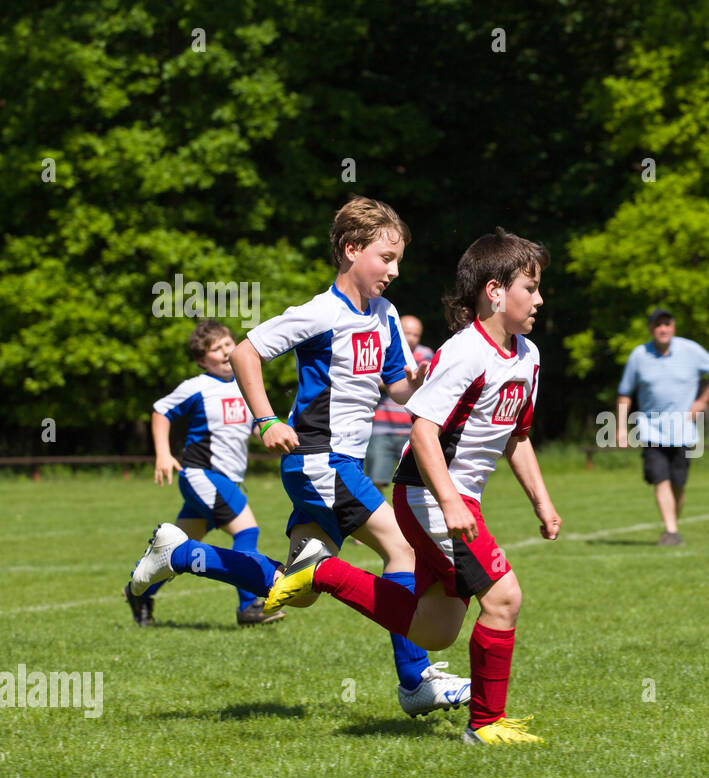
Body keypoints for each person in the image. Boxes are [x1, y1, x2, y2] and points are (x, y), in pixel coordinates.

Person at [133, 196, 470, 716]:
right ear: (350, 249)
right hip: (320, 460)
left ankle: (179, 554)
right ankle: (416, 679)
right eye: (386, 257)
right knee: (403, 550)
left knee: (303, 587)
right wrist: (267, 419)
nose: (395, 270)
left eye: (399, 259)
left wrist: (437, 376)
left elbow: (400, 389)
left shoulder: (385, 315)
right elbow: (247, 351)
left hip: (341, 465)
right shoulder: (320, 312)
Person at [263, 228, 560, 746]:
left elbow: (518, 436)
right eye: (530, 288)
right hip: (428, 495)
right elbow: (422, 429)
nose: (538, 299)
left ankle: (324, 571)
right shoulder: (467, 352)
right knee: (505, 598)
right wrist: (449, 502)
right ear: (495, 291)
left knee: (434, 630)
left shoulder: (528, 356)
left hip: (453, 499)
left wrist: (543, 502)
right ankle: (485, 726)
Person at [124, 321, 284, 627]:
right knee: (247, 531)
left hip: (224, 480)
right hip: (203, 476)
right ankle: (250, 606)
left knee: (175, 552)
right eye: (216, 349)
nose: (226, 351)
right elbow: (160, 411)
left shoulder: (244, 383)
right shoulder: (197, 386)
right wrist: (162, 454)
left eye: (228, 343)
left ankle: (139, 591)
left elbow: (250, 425)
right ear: (202, 360)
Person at [616, 309, 709, 545]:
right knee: (660, 478)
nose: (663, 329)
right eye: (658, 325)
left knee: (678, 483)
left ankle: (672, 528)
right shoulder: (639, 355)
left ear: (673, 327)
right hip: (650, 429)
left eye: (667, 324)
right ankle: (671, 531)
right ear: (651, 329)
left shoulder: (691, 350)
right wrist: (621, 427)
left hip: (683, 429)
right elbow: (625, 393)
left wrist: (702, 401)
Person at [365, 315, 435, 487]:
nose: (411, 338)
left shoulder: (425, 355)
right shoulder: (383, 351)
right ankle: (376, 513)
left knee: (418, 481)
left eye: (416, 335)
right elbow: (369, 378)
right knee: (376, 481)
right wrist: (395, 381)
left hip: (412, 428)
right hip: (382, 427)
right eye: (407, 333)